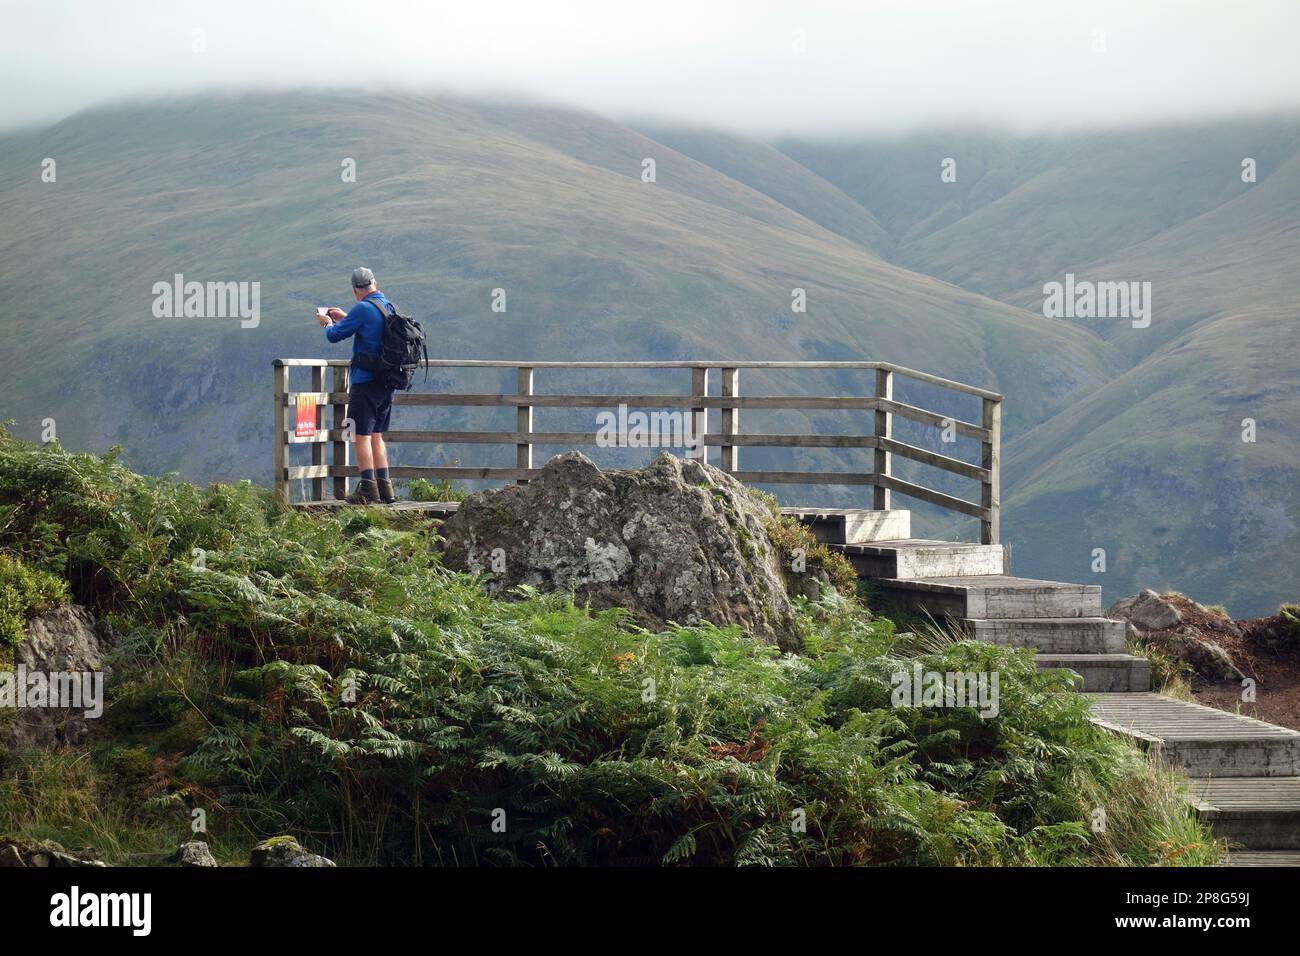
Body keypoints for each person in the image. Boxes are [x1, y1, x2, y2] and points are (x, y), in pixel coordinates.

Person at [318, 267, 397, 505]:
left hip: (365, 381)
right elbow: (370, 330)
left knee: (360, 436)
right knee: (376, 434)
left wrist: (328, 323)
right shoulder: (387, 305)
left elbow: (334, 336)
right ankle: (386, 489)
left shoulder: (362, 308)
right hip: (387, 382)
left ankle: (367, 490)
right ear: (375, 283)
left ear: (355, 291)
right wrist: (345, 317)